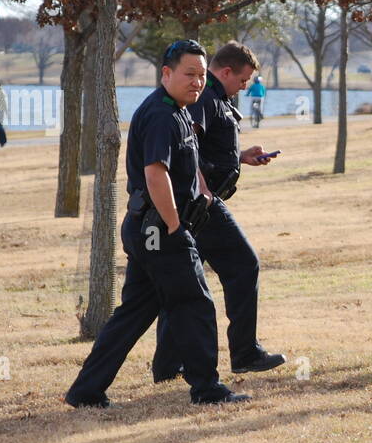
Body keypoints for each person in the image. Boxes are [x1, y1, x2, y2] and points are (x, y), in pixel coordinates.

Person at [65, 39, 247, 408]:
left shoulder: (180, 110)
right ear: (166, 73)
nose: (197, 82)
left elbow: (184, 162)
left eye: (200, 75)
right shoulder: (162, 114)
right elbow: (155, 175)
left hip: (148, 230)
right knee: (195, 304)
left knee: (134, 312)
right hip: (159, 231)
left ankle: (86, 390)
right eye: (188, 74)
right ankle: (207, 389)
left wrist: (203, 192)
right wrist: (176, 227)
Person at [152, 41, 285, 381]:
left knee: (184, 279)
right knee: (244, 264)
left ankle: (169, 365)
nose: (244, 87)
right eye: (242, 81)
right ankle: (244, 352)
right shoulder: (205, 98)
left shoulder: (215, 98)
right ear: (225, 71)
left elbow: (204, 146)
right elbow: (187, 146)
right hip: (203, 204)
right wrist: (203, 191)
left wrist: (240, 157)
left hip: (199, 201)